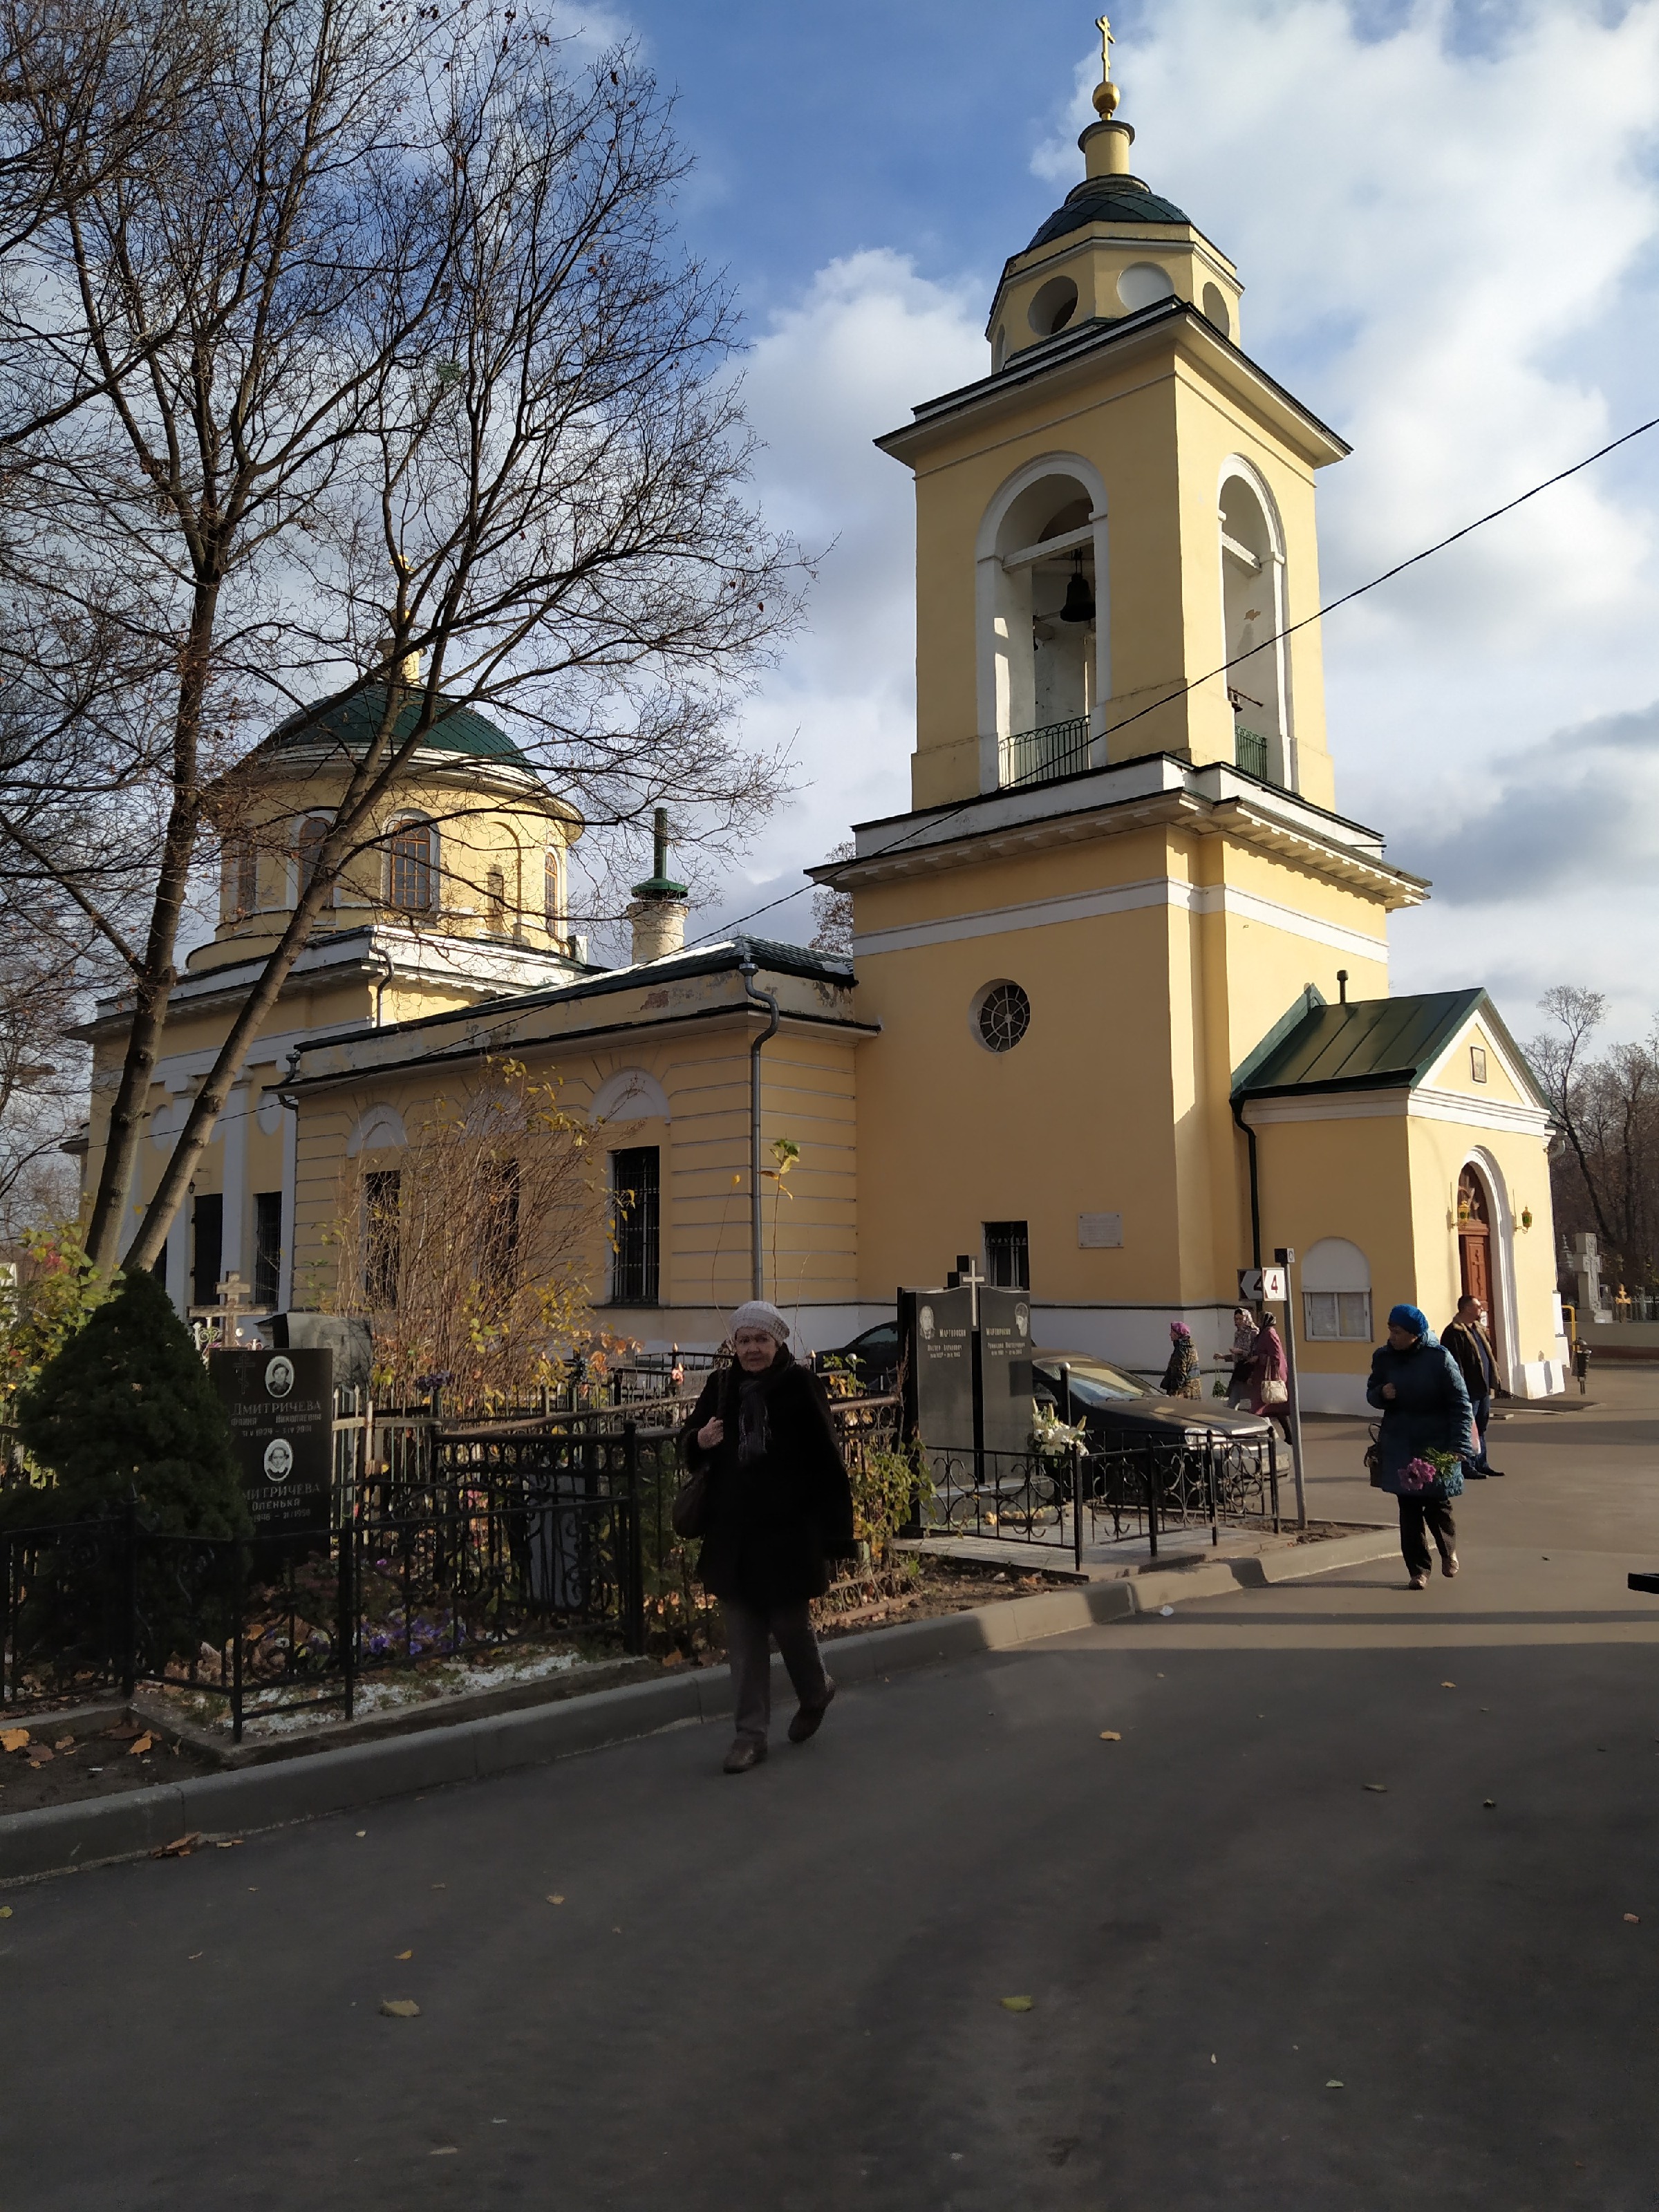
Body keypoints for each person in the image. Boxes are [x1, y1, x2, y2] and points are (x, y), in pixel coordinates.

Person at [679, 1300, 856, 1774]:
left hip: (788, 1534)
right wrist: (701, 1441)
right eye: (743, 1340)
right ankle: (749, 1735)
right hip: (733, 1535)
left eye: (761, 1340)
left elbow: (828, 1463)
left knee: (789, 1625)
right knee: (743, 1637)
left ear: (778, 1343)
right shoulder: (722, 1387)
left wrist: (836, 1536)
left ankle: (815, 1689)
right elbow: (690, 1441)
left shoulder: (800, 1386)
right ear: (732, 1345)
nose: (752, 1349)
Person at [1367, 1302, 1474, 1589]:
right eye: (1390, 1330)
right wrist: (1382, 1394)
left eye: (1397, 1331)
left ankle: (1448, 1551)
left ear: (1415, 1333)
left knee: (1437, 1502)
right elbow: (1372, 1393)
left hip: (1435, 1444)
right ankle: (1418, 1570)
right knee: (1408, 1506)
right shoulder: (1384, 1358)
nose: (1392, 1336)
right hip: (1400, 1441)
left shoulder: (1439, 1359)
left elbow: (1460, 1404)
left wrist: (1459, 1445)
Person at [1443, 1294, 1504, 1477]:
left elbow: (1487, 1355)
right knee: (1467, 1427)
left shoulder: (1477, 1329)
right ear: (1467, 1309)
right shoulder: (1453, 1333)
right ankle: (1466, 1466)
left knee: (1481, 1426)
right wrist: (1459, 1389)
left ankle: (1481, 1463)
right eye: (1478, 1307)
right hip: (1468, 1389)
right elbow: (1454, 1364)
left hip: (1482, 1388)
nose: (1481, 1310)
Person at [1246, 1311, 1288, 1425]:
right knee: (1273, 1409)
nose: (1258, 1322)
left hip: (1270, 1376)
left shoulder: (1270, 1333)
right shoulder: (1263, 1333)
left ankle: (1266, 1436)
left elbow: (1276, 1356)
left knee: (1261, 1408)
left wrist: (1259, 1358)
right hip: (1263, 1375)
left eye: (1260, 1319)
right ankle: (1286, 1436)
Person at [1160, 1320, 1202, 1399]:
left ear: (1177, 1334)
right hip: (1194, 1391)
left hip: (1182, 1394)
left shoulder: (1180, 1349)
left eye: (1172, 1332)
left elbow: (1179, 1373)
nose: (1170, 1335)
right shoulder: (1191, 1346)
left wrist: (1173, 1393)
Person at [1226, 1306, 1257, 1408]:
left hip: (1250, 1371)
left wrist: (1240, 1351)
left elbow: (1254, 1353)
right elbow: (1237, 1355)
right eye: (1236, 1319)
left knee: (1256, 1403)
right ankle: (1231, 1422)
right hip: (1240, 1370)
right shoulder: (1238, 1333)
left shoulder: (1253, 1333)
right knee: (1232, 1402)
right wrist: (1224, 1357)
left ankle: (1266, 1422)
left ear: (1246, 1318)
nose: (1238, 1321)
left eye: (1240, 1319)